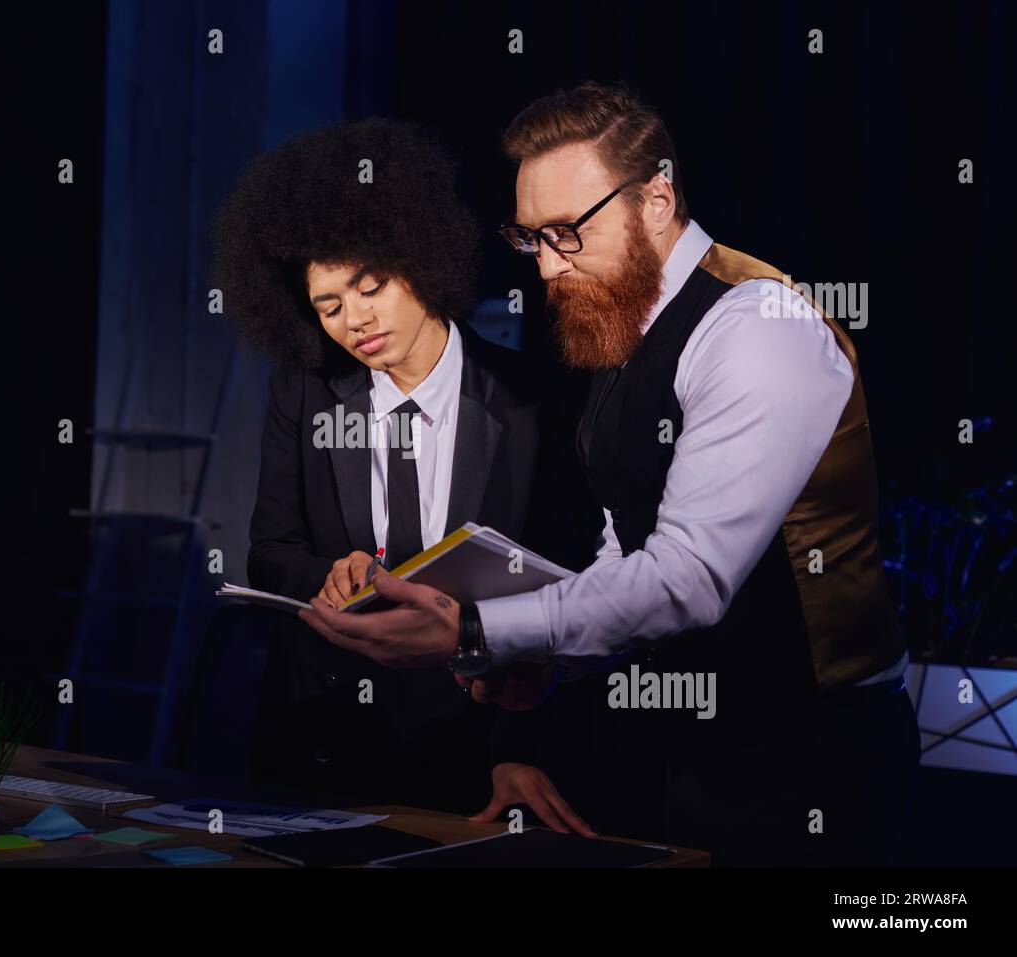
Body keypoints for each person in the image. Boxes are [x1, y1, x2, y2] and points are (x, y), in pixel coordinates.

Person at [301, 83, 919, 866]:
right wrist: (547, 660)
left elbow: (689, 577)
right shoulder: (626, 320)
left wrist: (470, 628)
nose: (549, 269)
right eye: (530, 239)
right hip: (682, 746)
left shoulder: (761, 328)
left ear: (657, 198)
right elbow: (625, 548)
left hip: (813, 759)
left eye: (567, 234)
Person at [216, 117, 591, 821]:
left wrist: (517, 745)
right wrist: (327, 572)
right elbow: (268, 553)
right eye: (328, 306)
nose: (353, 319)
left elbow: (561, 591)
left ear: (419, 258)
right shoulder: (304, 389)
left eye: (370, 286)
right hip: (326, 745)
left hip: (475, 751)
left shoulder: (530, 401)